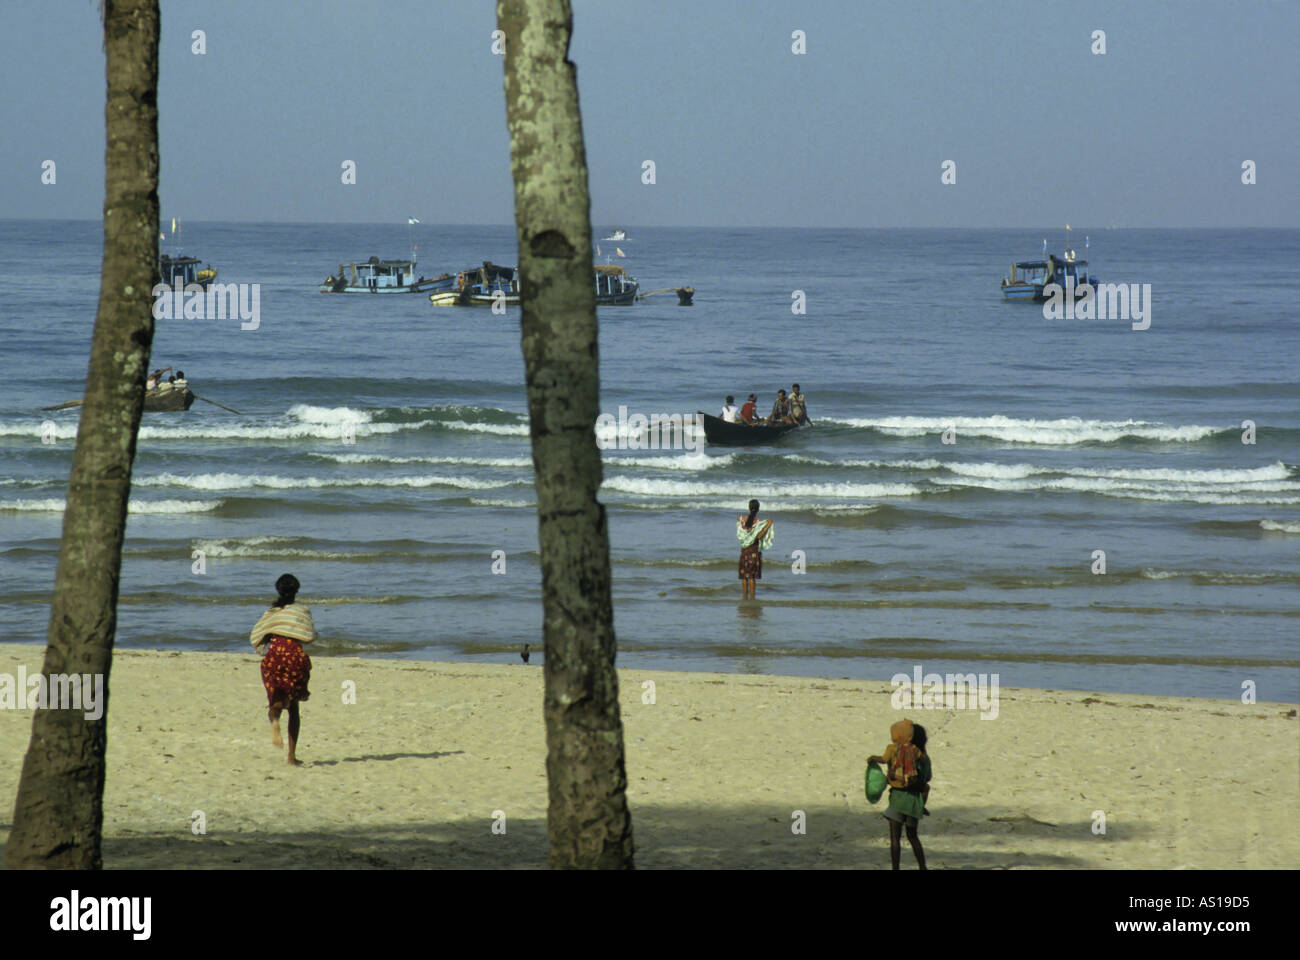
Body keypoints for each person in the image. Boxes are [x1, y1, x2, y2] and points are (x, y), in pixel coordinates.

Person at [249, 573, 317, 766]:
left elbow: (258, 634)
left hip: (273, 658)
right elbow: (308, 635)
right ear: (296, 591)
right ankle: (291, 757)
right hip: (293, 657)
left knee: (276, 701)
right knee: (294, 709)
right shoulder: (301, 611)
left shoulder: (271, 612)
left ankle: (275, 720)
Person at [867, 718, 931, 870]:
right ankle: (922, 867)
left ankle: (895, 868)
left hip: (898, 798)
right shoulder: (921, 755)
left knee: (895, 838)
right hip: (915, 801)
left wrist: (872, 759)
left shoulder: (893, 749)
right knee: (913, 836)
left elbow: (882, 759)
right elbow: (927, 777)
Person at [736, 498, 774, 600]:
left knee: (744, 576)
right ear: (758, 509)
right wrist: (768, 525)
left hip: (744, 552)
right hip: (754, 552)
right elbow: (759, 536)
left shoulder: (742, 521)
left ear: (749, 508)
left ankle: (745, 597)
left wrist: (740, 520)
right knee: (752, 577)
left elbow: (740, 531)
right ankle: (752, 598)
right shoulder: (758, 523)